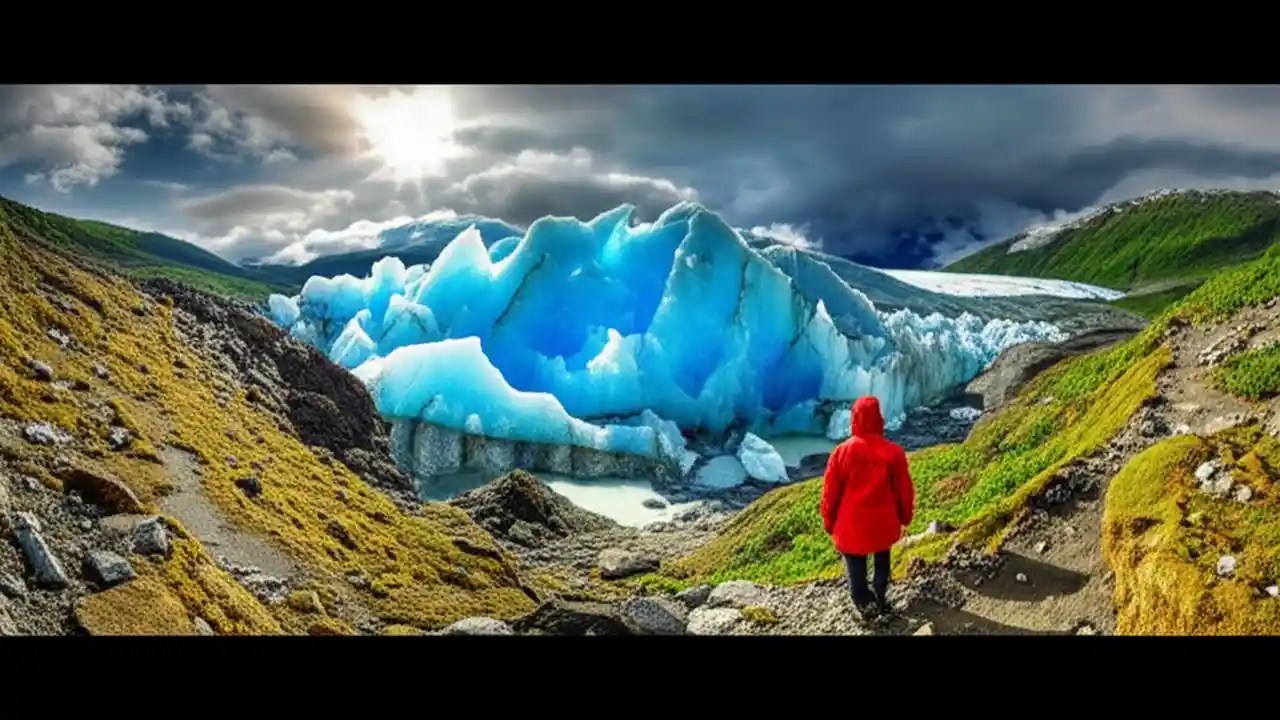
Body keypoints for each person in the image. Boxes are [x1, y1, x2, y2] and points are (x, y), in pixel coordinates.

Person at [820, 395, 915, 621]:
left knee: (855, 566)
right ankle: (882, 596)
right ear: (878, 419)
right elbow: (905, 490)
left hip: (851, 528)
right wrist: (905, 516)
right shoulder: (894, 453)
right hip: (884, 525)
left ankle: (863, 601)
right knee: (882, 556)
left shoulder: (842, 452)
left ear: (855, 419)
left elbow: (830, 494)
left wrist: (828, 521)